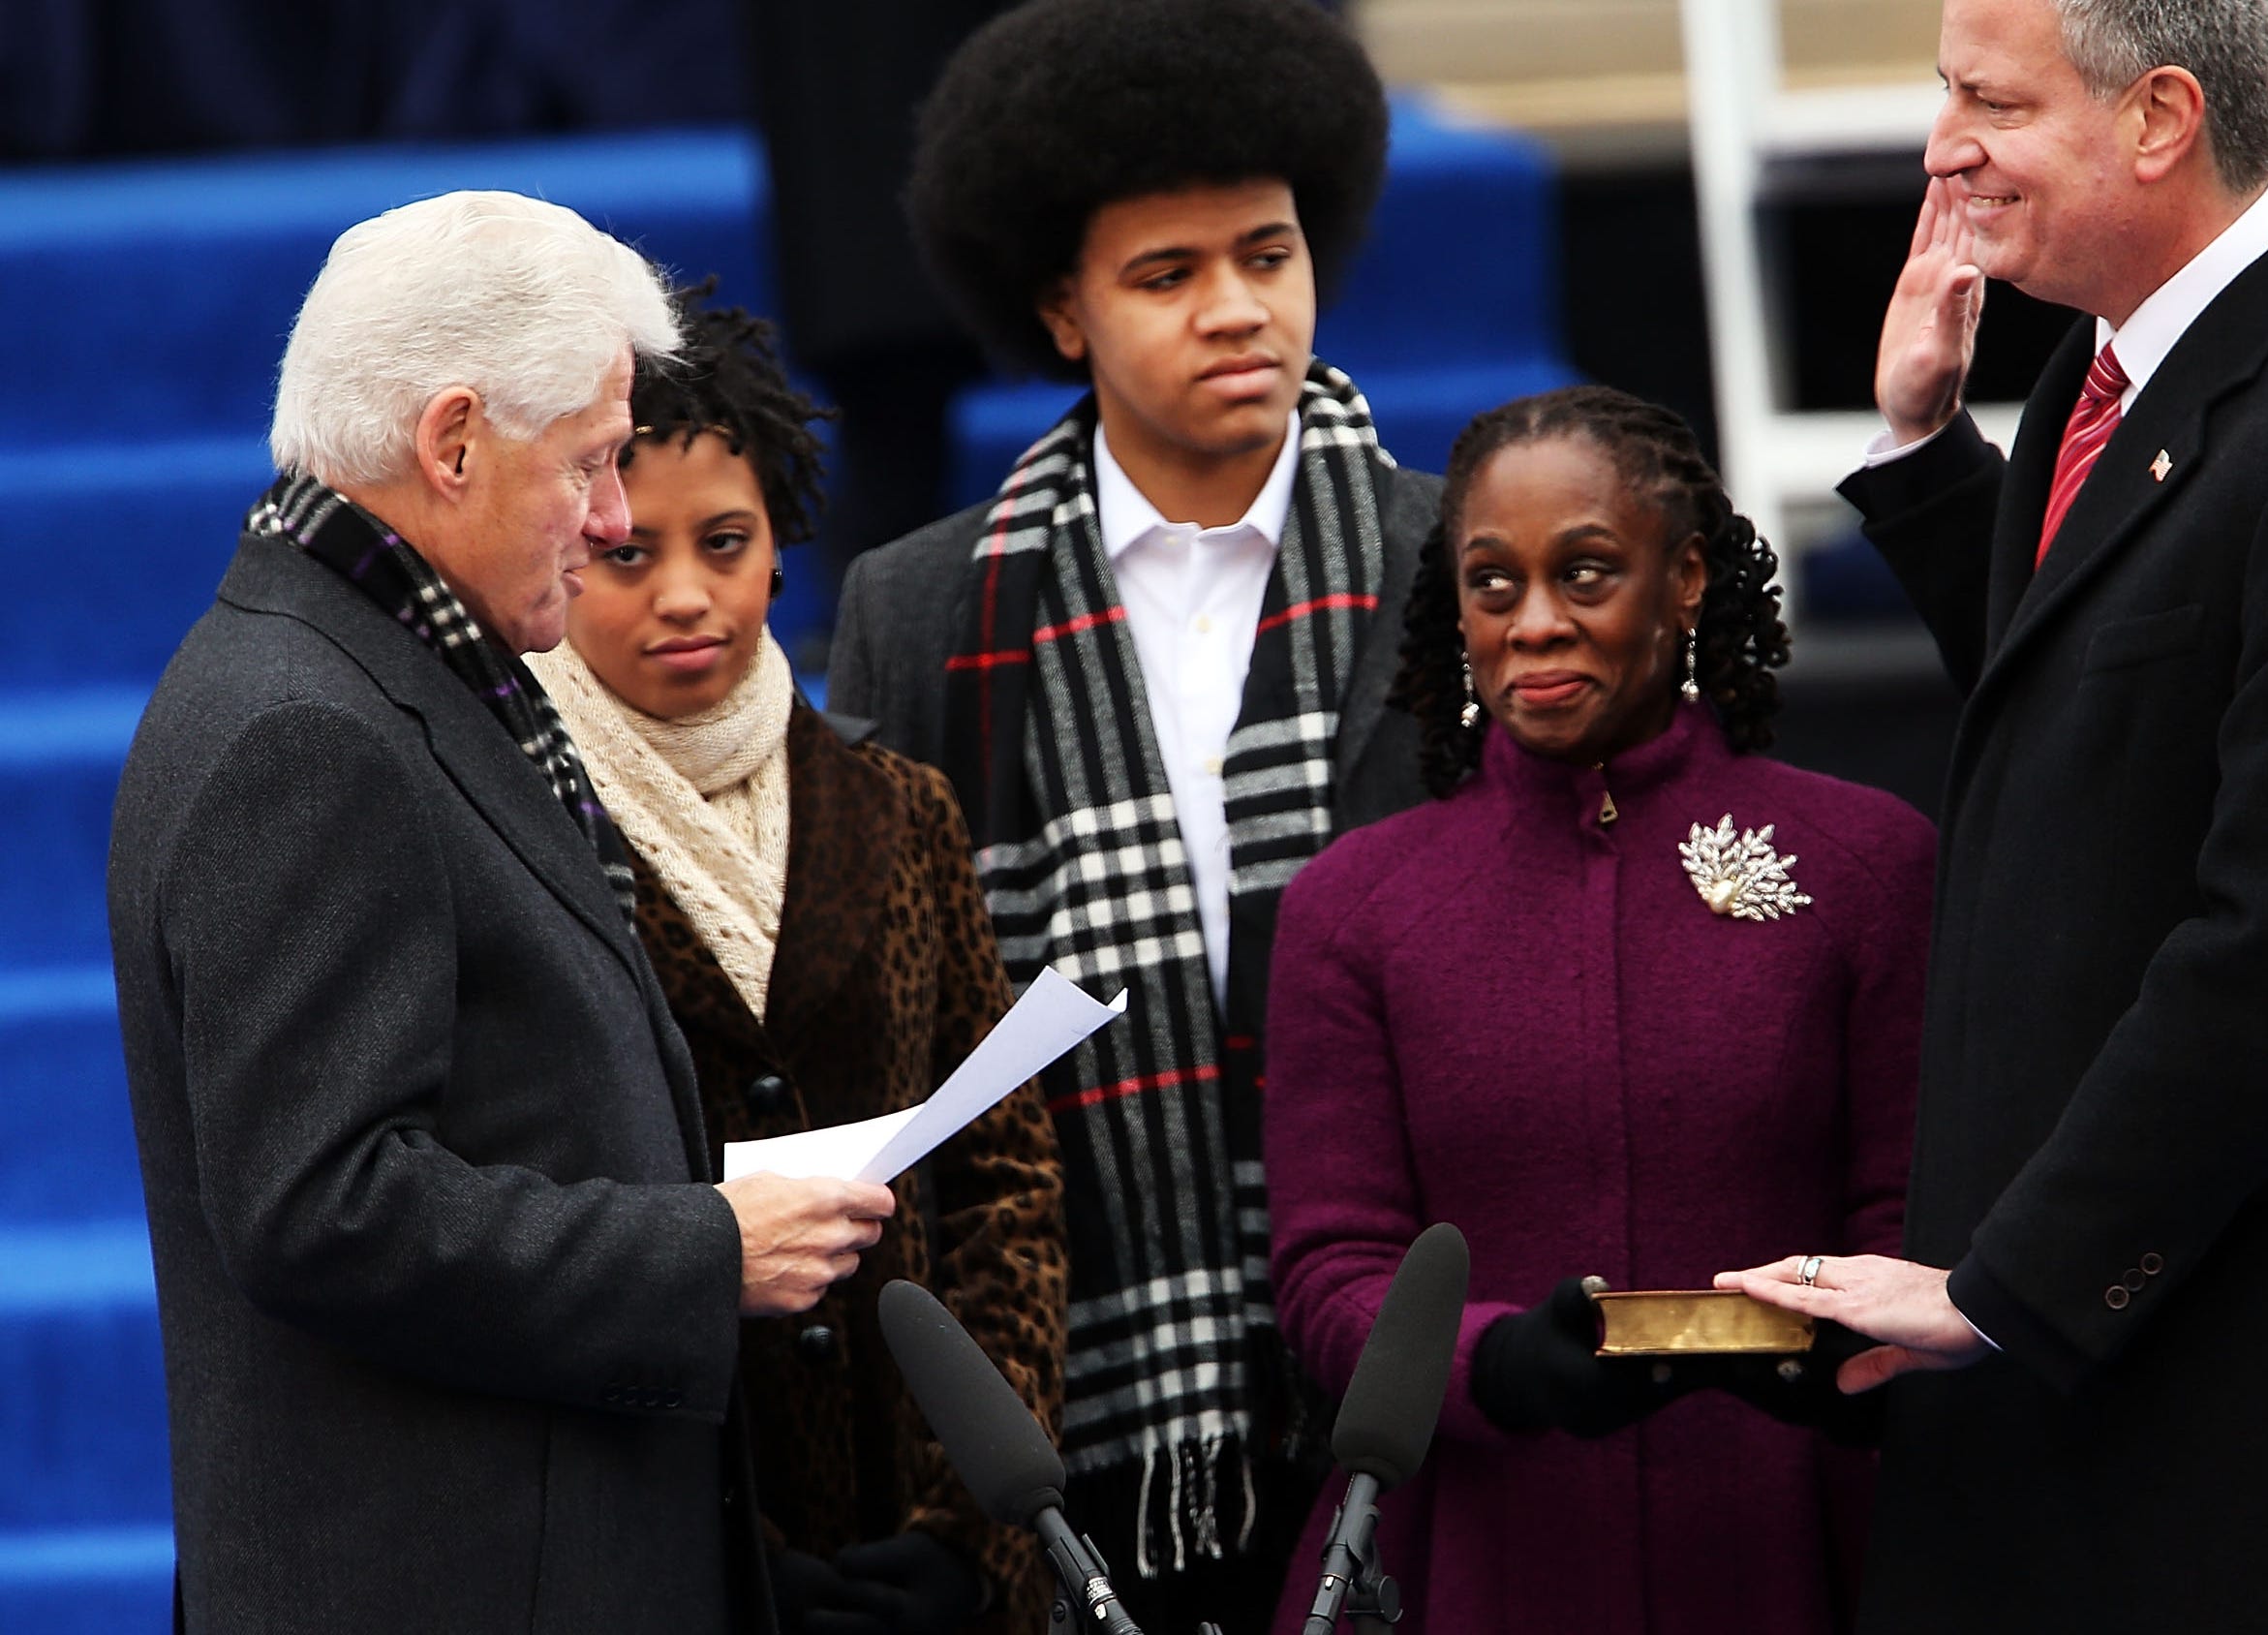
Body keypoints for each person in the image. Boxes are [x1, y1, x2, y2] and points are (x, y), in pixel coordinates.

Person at [1714, 2, 2268, 1630]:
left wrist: (2007, 1289)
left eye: (1994, 103)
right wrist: (1926, 452)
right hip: (2136, 1396)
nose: (1943, 150)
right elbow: (2100, 719)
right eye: (1946, 95)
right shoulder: (2107, 366)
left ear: (2159, 118)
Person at [104, 191, 893, 1633]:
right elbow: (323, 1207)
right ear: (454, 442)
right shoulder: (307, 730)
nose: (612, 519)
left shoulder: (365, 669)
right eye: (591, 462)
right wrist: (708, 1253)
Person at [825, 1, 1442, 1624]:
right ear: (1062, 310)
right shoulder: (923, 606)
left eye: (1268, 254)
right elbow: (904, 1028)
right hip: (1087, 1400)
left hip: (1415, 1369)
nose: (1237, 308)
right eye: (1168, 274)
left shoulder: (1455, 556)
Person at [1263, 385, 1933, 1635]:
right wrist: (1496, 1364)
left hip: (1792, 1539)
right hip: (1470, 1555)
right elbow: (1329, 1270)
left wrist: (1839, 1354)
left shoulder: (1870, 864)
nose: (1534, 623)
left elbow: (1910, 1215)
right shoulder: (1351, 908)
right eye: (1493, 583)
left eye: (1585, 573)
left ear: (1685, 581)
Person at [518, 292, 1067, 1635]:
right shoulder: (515, 830)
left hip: (919, 1538)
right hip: (669, 1540)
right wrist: (730, 1556)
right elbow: (534, 1224)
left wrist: (969, 1532)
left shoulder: (901, 809)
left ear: (781, 545)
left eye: (727, 542)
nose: (687, 594)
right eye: (630, 554)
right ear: (568, 550)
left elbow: (1004, 1186)